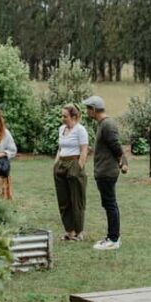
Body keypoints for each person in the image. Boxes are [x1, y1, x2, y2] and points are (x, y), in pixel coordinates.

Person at [82, 95, 128, 250]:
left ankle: (113, 239)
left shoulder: (108, 124)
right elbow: (109, 147)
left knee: (110, 204)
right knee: (108, 204)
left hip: (107, 172)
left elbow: (116, 147)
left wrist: (123, 162)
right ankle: (111, 237)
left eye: (88, 109)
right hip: (103, 171)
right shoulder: (102, 124)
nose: (87, 112)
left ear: (94, 110)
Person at [53, 104, 89, 241]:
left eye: (65, 116)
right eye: (62, 116)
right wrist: (56, 164)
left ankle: (79, 231)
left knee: (76, 199)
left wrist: (78, 167)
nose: (62, 119)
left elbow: (84, 151)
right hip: (61, 164)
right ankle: (69, 231)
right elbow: (60, 148)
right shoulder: (61, 129)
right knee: (63, 200)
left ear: (74, 117)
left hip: (74, 163)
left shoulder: (80, 130)